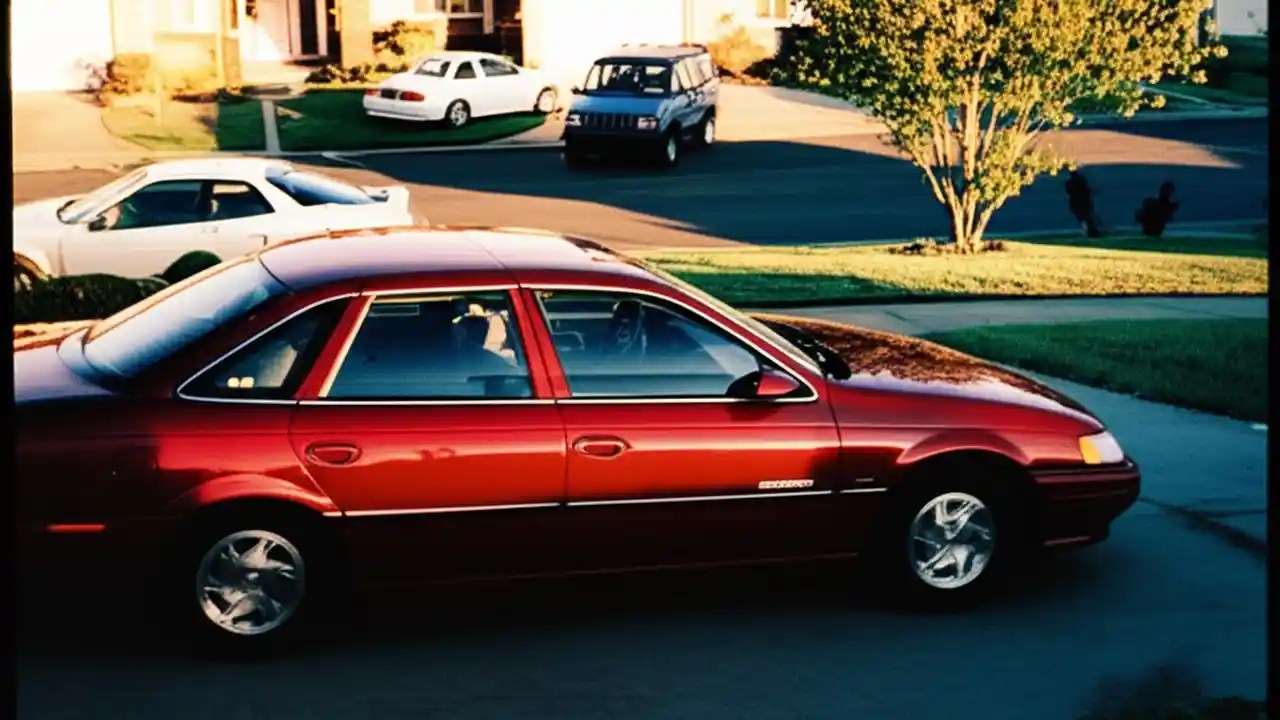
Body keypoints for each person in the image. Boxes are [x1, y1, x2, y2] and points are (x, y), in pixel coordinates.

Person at [1065, 170, 1103, 238]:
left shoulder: (1069, 182)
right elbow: (1087, 190)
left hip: (1075, 202)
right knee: (1088, 217)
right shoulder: (1081, 180)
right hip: (1084, 201)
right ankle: (1092, 231)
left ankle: (1088, 231)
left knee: (1083, 218)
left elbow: (1069, 191)